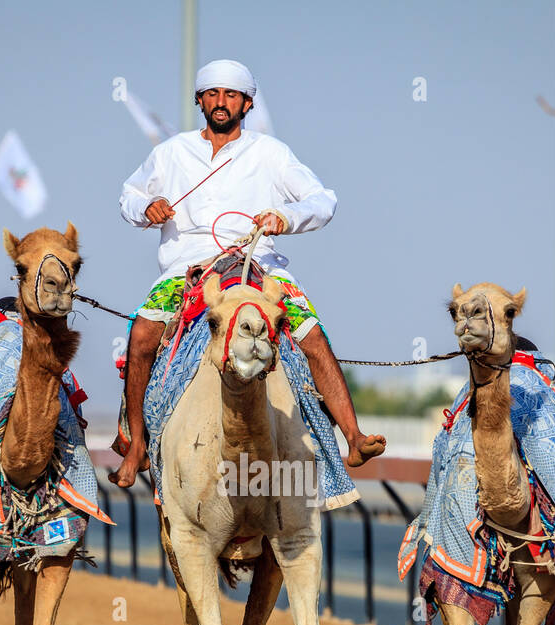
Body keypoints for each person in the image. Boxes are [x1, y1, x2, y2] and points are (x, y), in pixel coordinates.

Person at [112, 58, 385, 489]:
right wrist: (146, 208)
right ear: (200, 100)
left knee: (310, 335)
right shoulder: (170, 152)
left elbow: (323, 200)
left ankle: (353, 437)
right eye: (213, 94)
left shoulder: (271, 153)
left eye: (231, 95)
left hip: (257, 263)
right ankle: (137, 443)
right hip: (187, 270)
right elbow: (128, 196)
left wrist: (285, 217)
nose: (222, 103)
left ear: (247, 103)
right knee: (143, 334)